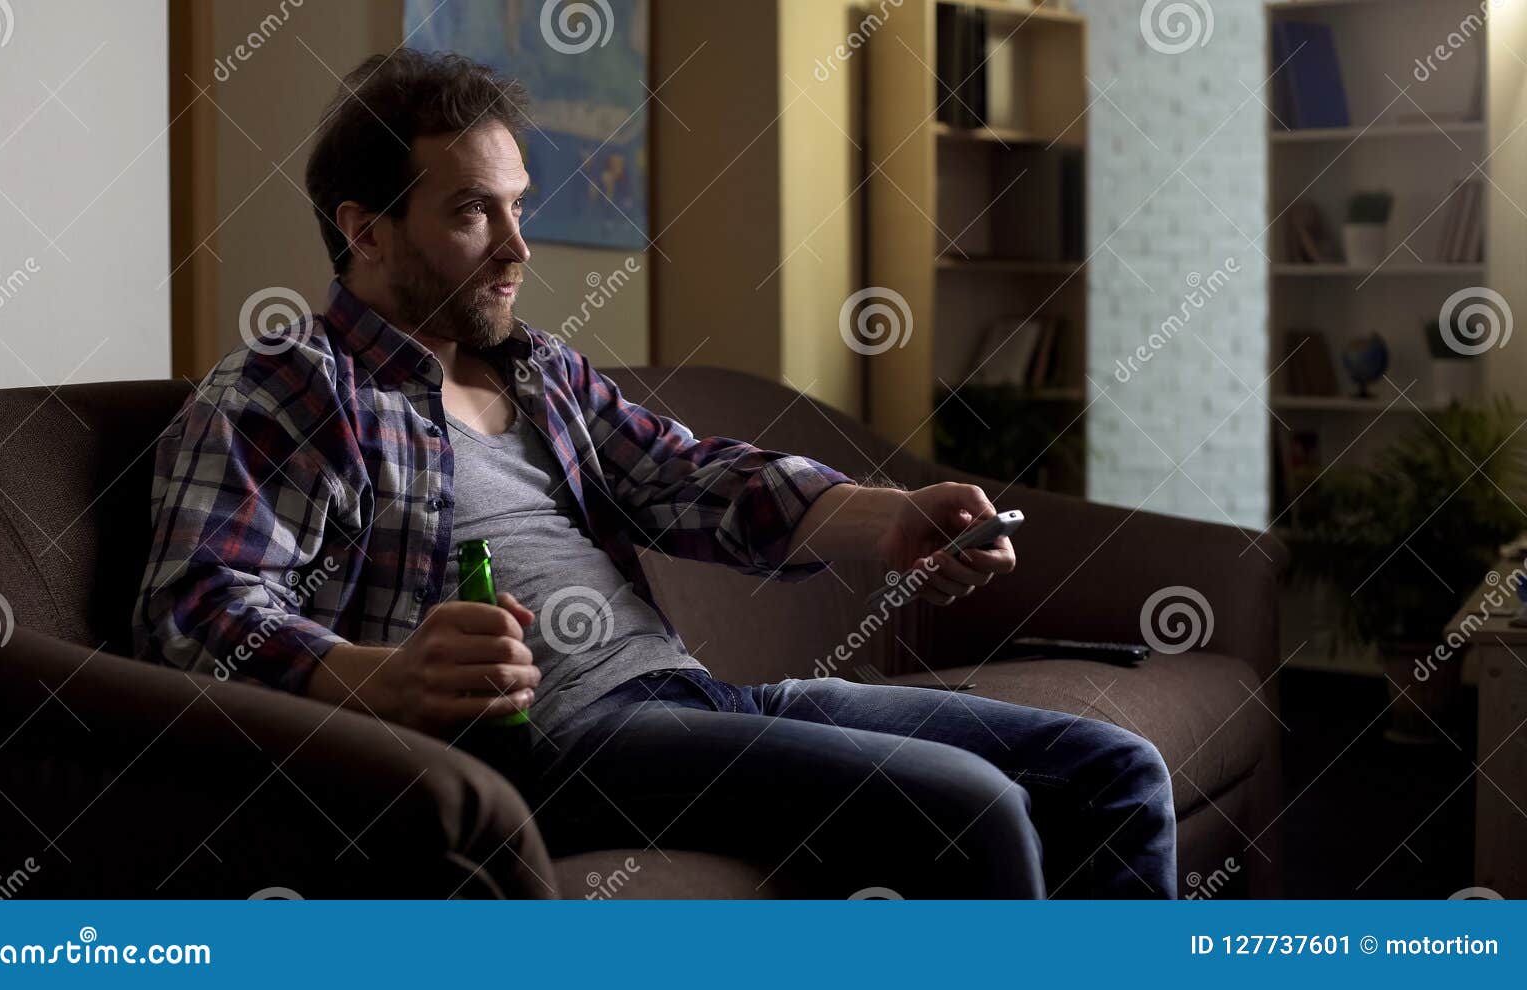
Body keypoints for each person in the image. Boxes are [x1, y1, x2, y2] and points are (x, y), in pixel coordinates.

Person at [134, 49, 1174, 899]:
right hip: (552, 742)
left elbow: (691, 477)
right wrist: (386, 680)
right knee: (973, 803)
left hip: (697, 694)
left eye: (517, 207)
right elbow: (195, 610)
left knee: (1114, 773)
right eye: (470, 214)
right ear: (364, 229)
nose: (516, 247)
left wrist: (891, 518)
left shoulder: (540, 370)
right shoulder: (284, 389)